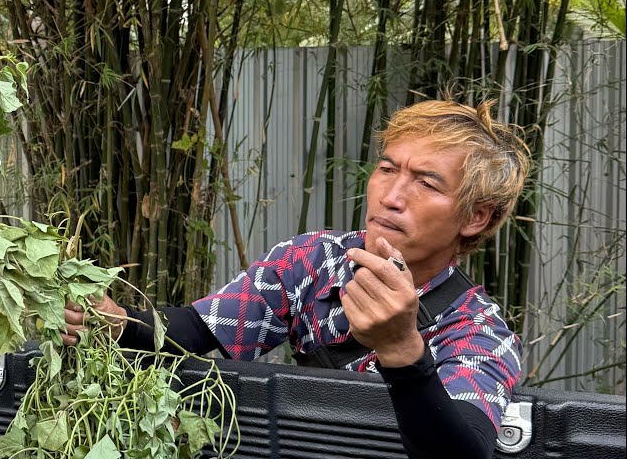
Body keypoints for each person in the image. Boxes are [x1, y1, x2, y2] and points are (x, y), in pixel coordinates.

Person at [64, 99, 530, 459]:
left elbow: (462, 451)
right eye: (387, 169)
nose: (391, 195)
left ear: (474, 217)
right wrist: (120, 323)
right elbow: (197, 329)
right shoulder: (314, 260)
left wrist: (403, 352)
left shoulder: (477, 331)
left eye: (426, 183)